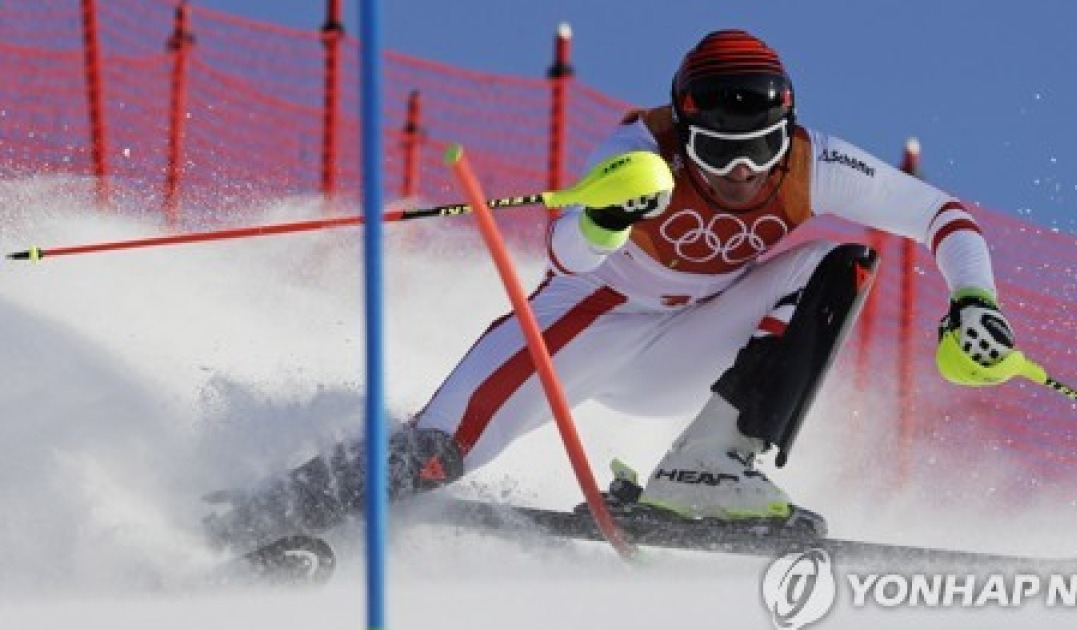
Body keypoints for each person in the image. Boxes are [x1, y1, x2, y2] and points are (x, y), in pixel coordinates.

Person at [204, 29, 1021, 547]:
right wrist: (603, 220)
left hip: (693, 340)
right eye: (719, 151)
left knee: (836, 263)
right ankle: (250, 521)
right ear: (684, 133)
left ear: (789, 130)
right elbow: (567, 258)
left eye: (762, 147)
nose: (743, 172)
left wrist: (974, 299)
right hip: (593, 319)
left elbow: (942, 216)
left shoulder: (816, 164)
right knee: (437, 454)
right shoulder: (639, 152)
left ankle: (707, 467)